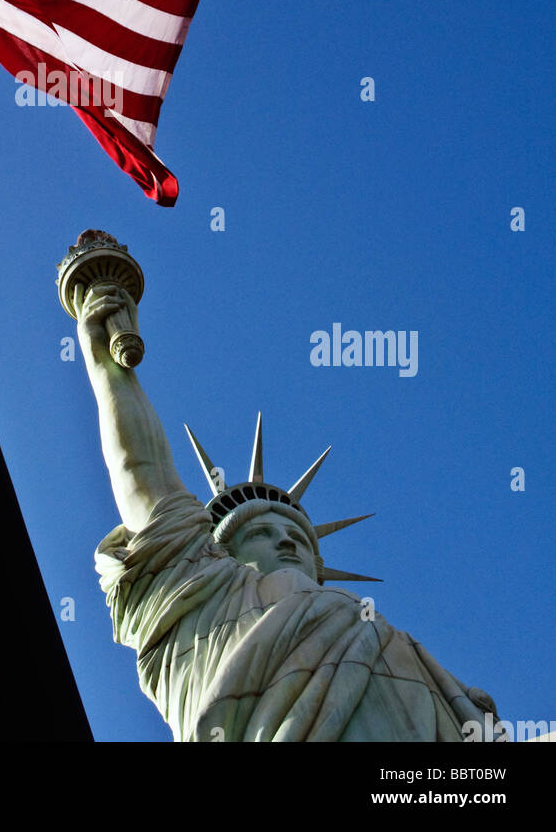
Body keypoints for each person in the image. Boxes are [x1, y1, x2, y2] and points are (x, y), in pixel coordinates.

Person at [75, 280, 502, 743]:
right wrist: (105, 369)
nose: (286, 540)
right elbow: (143, 470)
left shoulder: (397, 646)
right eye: (260, 532)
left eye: (298, 537)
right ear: (220, 555)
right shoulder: (209, 603)